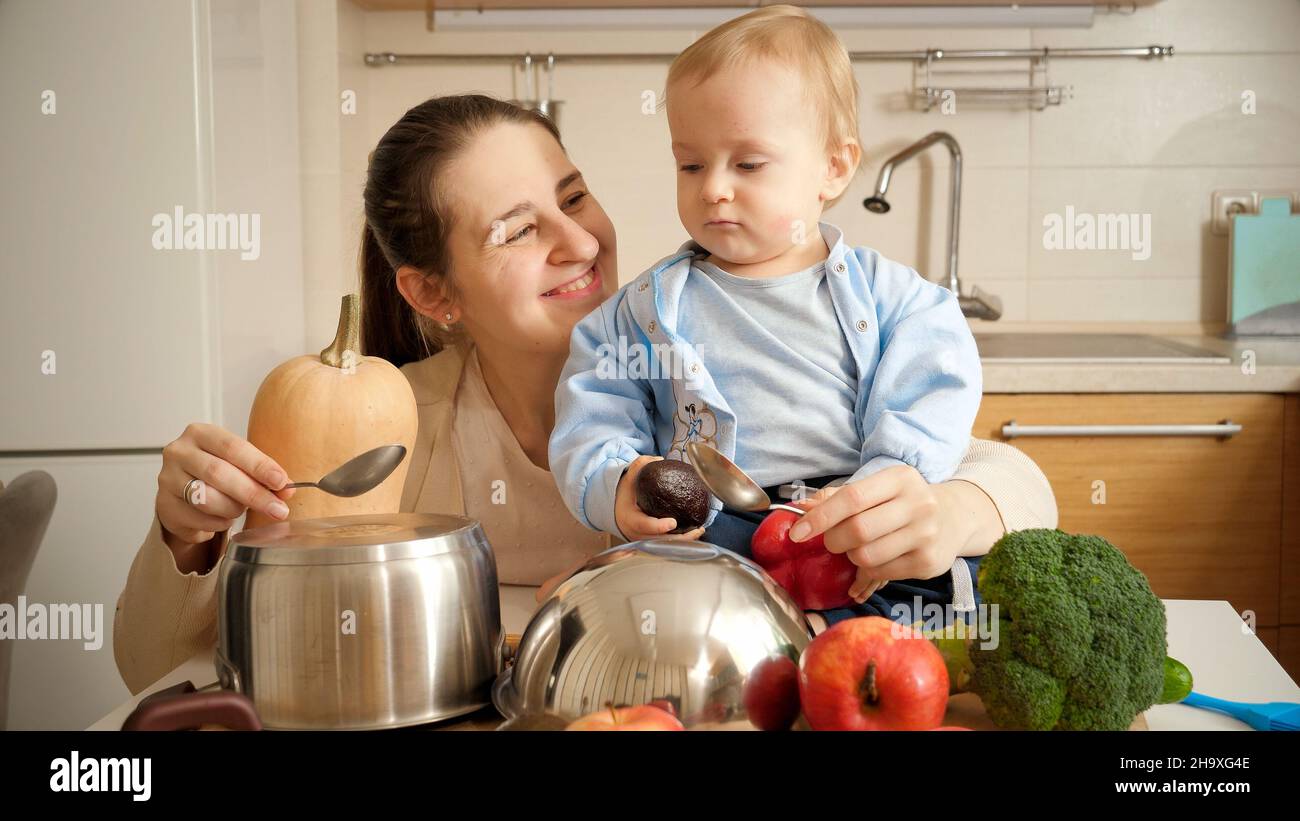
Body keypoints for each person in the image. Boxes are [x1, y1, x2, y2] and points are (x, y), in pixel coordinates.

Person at [112, 93, 1056, 696]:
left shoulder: (692, 358)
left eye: (575, 194)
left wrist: (943, 508)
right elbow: (156, 664)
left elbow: (1010, 477)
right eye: (520, 229)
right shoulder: (391, 428)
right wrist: (187, 539)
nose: (581, 241)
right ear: (433, 293)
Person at [549, 5, 985, 624]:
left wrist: (880, 488)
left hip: (842, 521)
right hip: (716, 527)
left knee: (926, 596)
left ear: (833, 168)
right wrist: (617, 481)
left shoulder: (897, 300)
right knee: (662, 604)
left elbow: (935, 383)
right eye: (691, 164)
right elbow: (593, 407)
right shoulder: (641, 312)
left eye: (748, 164)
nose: (713, 188)